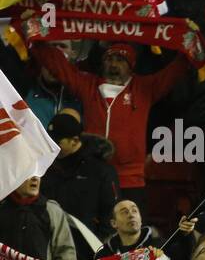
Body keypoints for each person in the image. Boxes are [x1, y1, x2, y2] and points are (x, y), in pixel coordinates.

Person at [28, 42, 193, 209]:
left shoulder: (145, 88)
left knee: (131, 229)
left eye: (121, 60)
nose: (114, 64)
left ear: (132, 65)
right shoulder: (87, 85)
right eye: (109, 59)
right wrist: (35, 38)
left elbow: (174, 72)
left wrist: (190, 44)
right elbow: (57, 66)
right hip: (93, 174)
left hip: (130, 178)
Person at [38, 112, 119, 251]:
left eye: (57, 142)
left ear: (74, 141)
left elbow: (111, 211)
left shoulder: (100, 170)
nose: (52, 146)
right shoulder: (47, 167)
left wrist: (100, 244)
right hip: (52, 246)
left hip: (89, 247)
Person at [0, 175, 76, 260]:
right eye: (29, 172)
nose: (35, 178)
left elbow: (66, 258)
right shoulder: (2, 207)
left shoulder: (52, 211)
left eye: (38, 173)